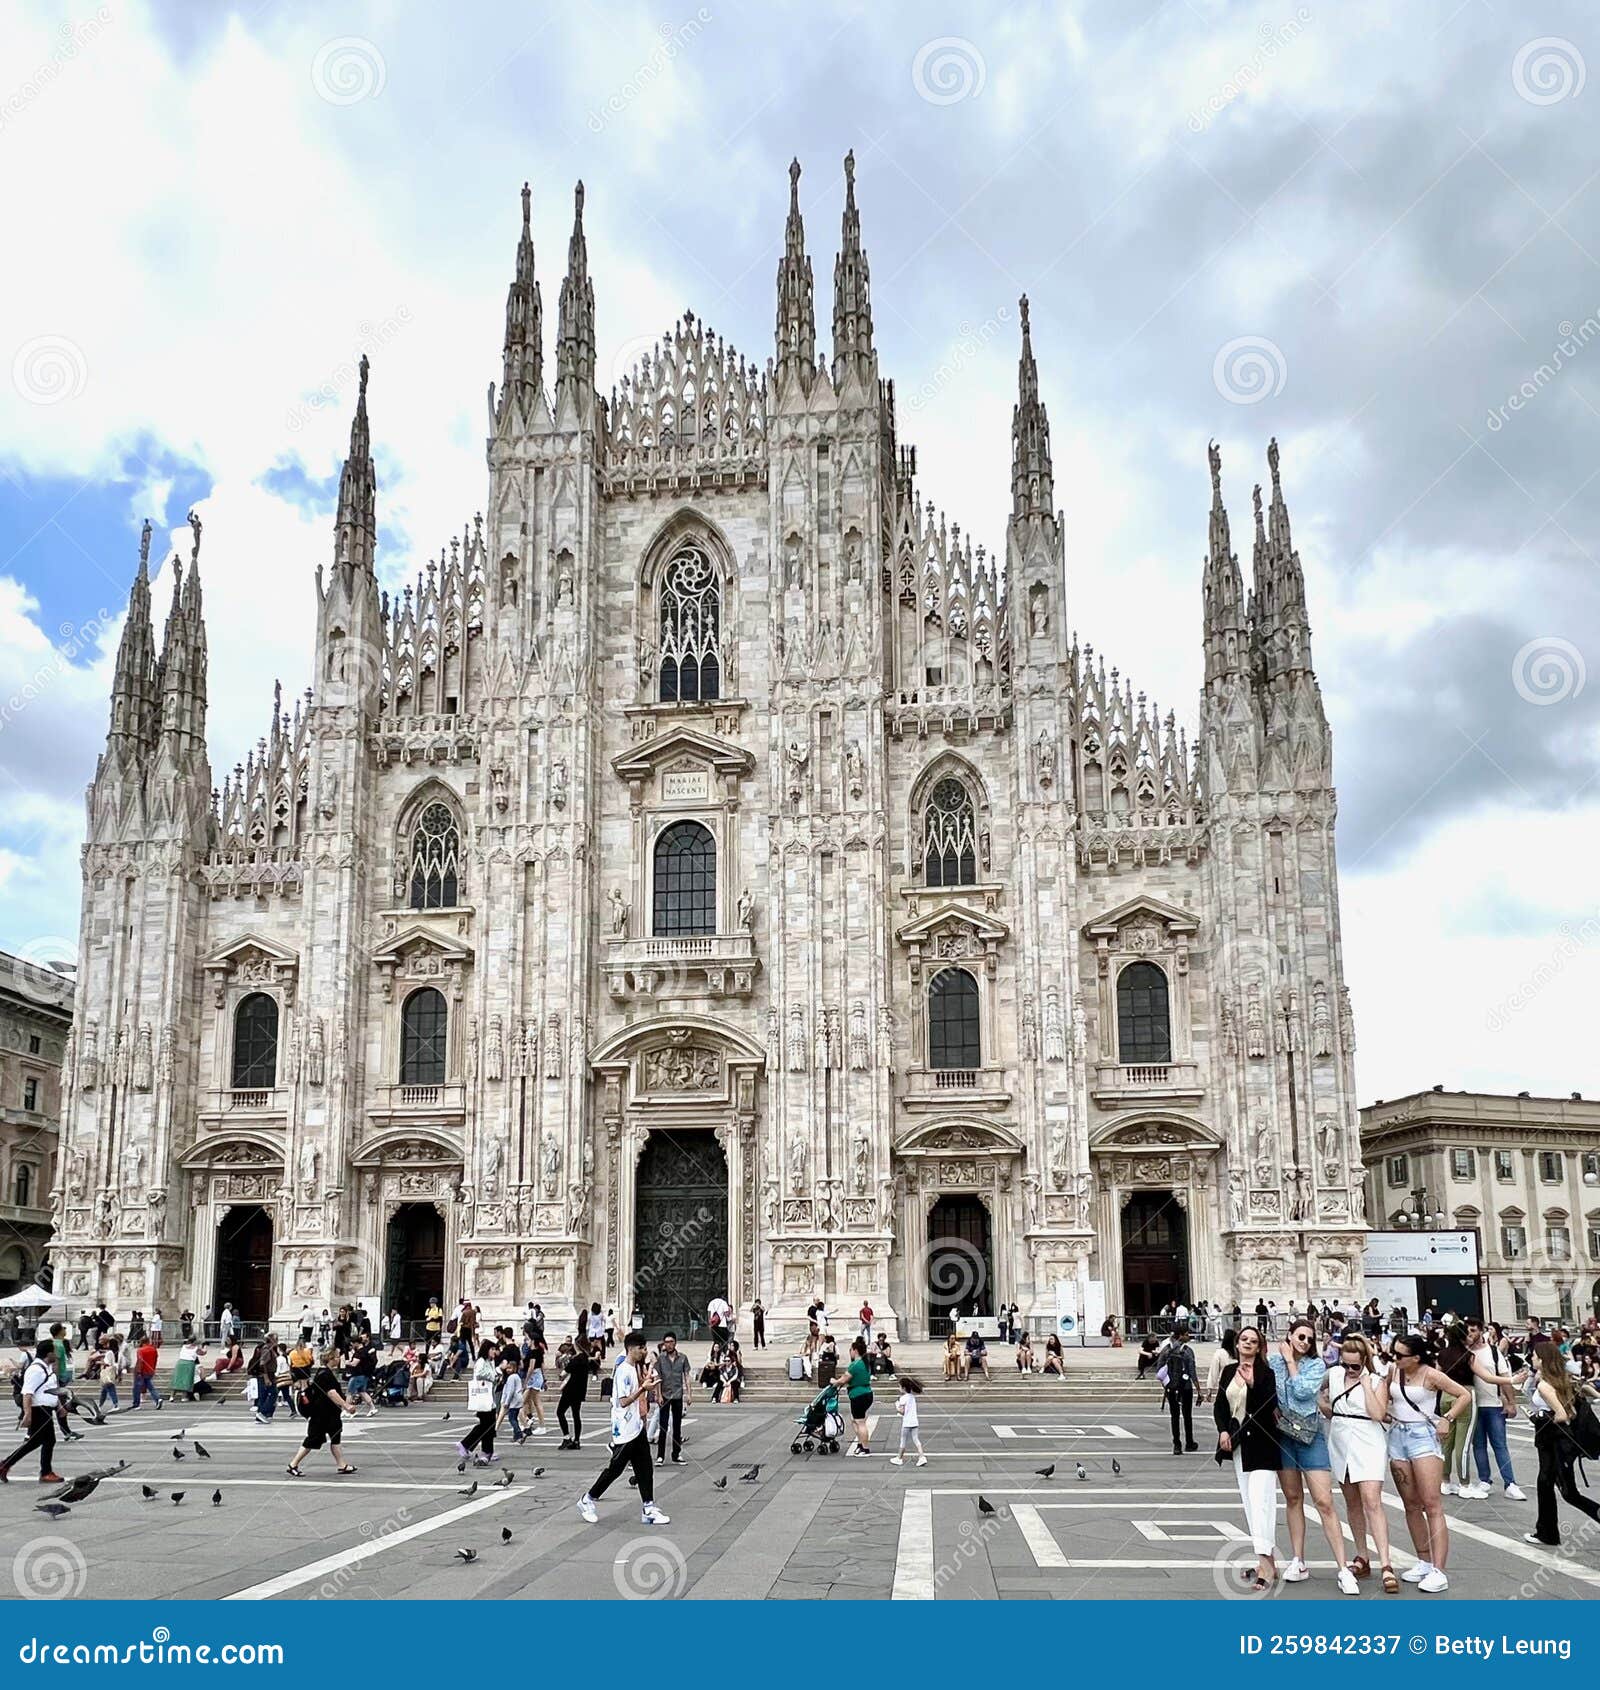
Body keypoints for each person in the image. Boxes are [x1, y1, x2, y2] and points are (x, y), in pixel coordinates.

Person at [1268, 1316, 1353, 1589]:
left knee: (1324, 1501)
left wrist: (1291, 1363)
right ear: (1289, 1336)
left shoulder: (1316, 1365)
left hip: (1310, 1436)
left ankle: (1343, 1567)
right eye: (1300, 1336)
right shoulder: (1273, 1364)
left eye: (1308, 1338)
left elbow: (1304, 1393)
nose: (1304, 1342)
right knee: (1293, 1498)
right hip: (1283, 1436)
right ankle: (1297, 1559)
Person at [1386, 1332, 1469, 1593]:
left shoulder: (1431, 1375)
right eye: (1393, 1352)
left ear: (1416, 1358)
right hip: (1398, 1434)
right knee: (1410, 1504)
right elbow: (1387, 1398)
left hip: (1423, 1436)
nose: (1394, 1358)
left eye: (1400, 1355)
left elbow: (1464, 1394)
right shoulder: (1393, 1371)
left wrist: (1448, 1417)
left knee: (1432, 1504)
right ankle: (1423, 1560)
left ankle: (1438, 1570)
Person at [1320, 1331, 1398, 1592]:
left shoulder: (1377, 1380)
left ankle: (1386, 1564)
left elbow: (1377, 1413)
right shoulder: (1333, 1375)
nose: (1350, 1369)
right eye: (1346, 1364)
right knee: (1352, 1501)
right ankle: (1362, 1556)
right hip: (1341, 1438)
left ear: (1364, 1360)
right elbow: (1317, 1394)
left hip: (1368, 1438)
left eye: (1355, 1365)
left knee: (1372, 1500)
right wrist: (1324, 1405)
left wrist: (1365, 1383)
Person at [576, 1331, 669, 1526]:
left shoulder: (633, 1367)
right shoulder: (624, 1370)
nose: (644, 1352)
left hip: (636, 1426)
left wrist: (646, 1386)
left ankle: (648, 1508)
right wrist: (644, 1389)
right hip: (625, 1428)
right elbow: (624, 1401)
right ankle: (588, 1499)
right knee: (615, 1469)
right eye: (641, 1348)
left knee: (645, 1467)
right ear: (631, 1349)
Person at [1213, 1326, 1281, 1591]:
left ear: (1259, 1346)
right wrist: (1222, 1431)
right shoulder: (1229, 1371)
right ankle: (1266, 1561)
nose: (1248, 1344)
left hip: (1263, 1445)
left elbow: (1269, 1405)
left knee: (1262, 1502)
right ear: (1237, 1343)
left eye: (1254, 1341)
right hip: (1240, 1445)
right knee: (1250, 1504)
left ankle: (1265, 1567)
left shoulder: (1267, 1373)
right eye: (1244, 1340)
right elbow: (1221, 1404)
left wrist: (1253, 1383)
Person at [1523, 1338, 1600, 1547]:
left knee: (1555, 1488)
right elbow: (1583, 1396)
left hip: (1554, 1443)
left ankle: (1547, 1534)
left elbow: (1562, 1415)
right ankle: (1547, 1533)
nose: (1532, 1357)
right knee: (1564, 1491)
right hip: (1562, 1444)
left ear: (1542, 1359)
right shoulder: (1562, 1379)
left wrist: (1537, 1417)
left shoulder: (1546, 1385)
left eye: (1534, 1355)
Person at [1462, 1318, 1524, 1501]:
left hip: (1493, 1404)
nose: (1470, 1334)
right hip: (1473, 1405)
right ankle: (1484, 1480)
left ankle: (1510, 1483)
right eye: (1467, 1331)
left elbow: (1504, 1376)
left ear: (1481, 1331)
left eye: (1473, 1330)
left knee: (1499, 1444)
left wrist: (1511, 1402)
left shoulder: (1494, 1352)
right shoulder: (1464, 1353)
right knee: (1478, 1444)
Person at [0, 1339, 64, 1483]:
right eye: (54, 1352)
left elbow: (52, 1390)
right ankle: (45, 1472)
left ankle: (6, 1464)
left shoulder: (47, 1368)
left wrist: (59, 1405)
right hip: (39, 1410)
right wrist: (28, 1414)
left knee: (37, 1441)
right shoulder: (35, 1369)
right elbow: (27, 1393)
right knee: (46, 1441)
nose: (56, 1355)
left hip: (46, 1409)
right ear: (48, 1353)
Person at [286, 1350, 357, 1477]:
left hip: (330, 1414)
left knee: (336, 1438)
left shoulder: (325, 1372)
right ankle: (293, 1464)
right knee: (312, 1440)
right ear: (330, 1358)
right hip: (321, 1414)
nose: (338, 1359)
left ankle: (342, 1465)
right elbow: (331, 1393)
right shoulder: (324, 1374)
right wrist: (346, 1406)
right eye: (336, 1357)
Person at [1434, 1324, 1477, 1496]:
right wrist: (1510, 1380)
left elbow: (1437, 1376)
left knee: (1446, 1443)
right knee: (1463, 1443)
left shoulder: (1441, 1355)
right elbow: (1484, 1375)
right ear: (1462, 1337)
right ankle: (1464, 1484)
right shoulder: (1469, 1356)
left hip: (1446, 1395)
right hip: (1465, 1394)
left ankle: (1445, 1481)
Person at [654, 1332, 691, 1463]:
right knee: (663, 1426)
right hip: (664, 1395)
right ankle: (660, 1455)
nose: (668, 1345)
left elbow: (686, 1376)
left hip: (677, 1394)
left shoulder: (682, 1358)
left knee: (677, 1426)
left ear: (675, 1342)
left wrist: (689, 1394)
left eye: (671, 1342)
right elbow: (657, 1377)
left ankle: (676, 1453)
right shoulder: (660, 1359)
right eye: (666, 1342)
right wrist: (658, 1395)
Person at [838, 1336, 875, 1456]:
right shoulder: (865, 1363)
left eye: (850, 1350)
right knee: (855, 1420)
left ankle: (865, 1448)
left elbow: (844, 1379)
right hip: (866, 1393)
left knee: (860, 1422)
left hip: (858, 1395)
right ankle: (860, 1444)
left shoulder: (855, 1364)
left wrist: (834, 1381)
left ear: (855, 1350)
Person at [1166, 1326, 1200, 1455]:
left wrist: (1167, 1385)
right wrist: (1199, 1390)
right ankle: (1189, 1442)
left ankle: (1177, 1444)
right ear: (1180, 1336)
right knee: (1187, 1416)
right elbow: (1192, 1372)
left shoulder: (1167, 1349)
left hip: (1172, 1387)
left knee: (1174, 1416)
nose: (1188, 1336)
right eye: (1186, 1334)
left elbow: (1160, 1370)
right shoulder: (1187, 1351)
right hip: (1185, 1387)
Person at [557, 1330, 592, 1449]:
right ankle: (577, 1440)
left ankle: (566, 1437)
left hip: (570, 1389)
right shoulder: (585, 1359)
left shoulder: (575, 1359)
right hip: (580, 1390)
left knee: (560, 1412)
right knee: (576, 1415)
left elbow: (563, 1374)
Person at [890, 1374, 926, 1467]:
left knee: (903, 1440)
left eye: (900, 1386)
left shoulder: (903, 1398)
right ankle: (922, 1456)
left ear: (904, 1388)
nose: (899, 1388)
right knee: (916, 1439)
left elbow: (902, 1411)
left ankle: (899, 1458)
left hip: (907, 1423)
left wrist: (897, 1405)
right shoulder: (912, 1397)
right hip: (914, 1421)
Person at [1203, 1329, 1237, 1404]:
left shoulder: (1219, 1353)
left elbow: (1213, 1372)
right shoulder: (1238, 1353)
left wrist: (1210, 1389)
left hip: (1224, 1385)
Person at [131, 1332, 163, 1410]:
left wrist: (138, 1371)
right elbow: (155, 1360)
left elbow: (140, 1361)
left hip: (142, 1371)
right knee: (150, 1386)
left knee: (136, 1388)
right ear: (148, 1341)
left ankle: (136, 1404)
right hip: (150, 1370)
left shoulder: (140, 1350)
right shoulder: (153, 1349)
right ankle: (157, 1399)